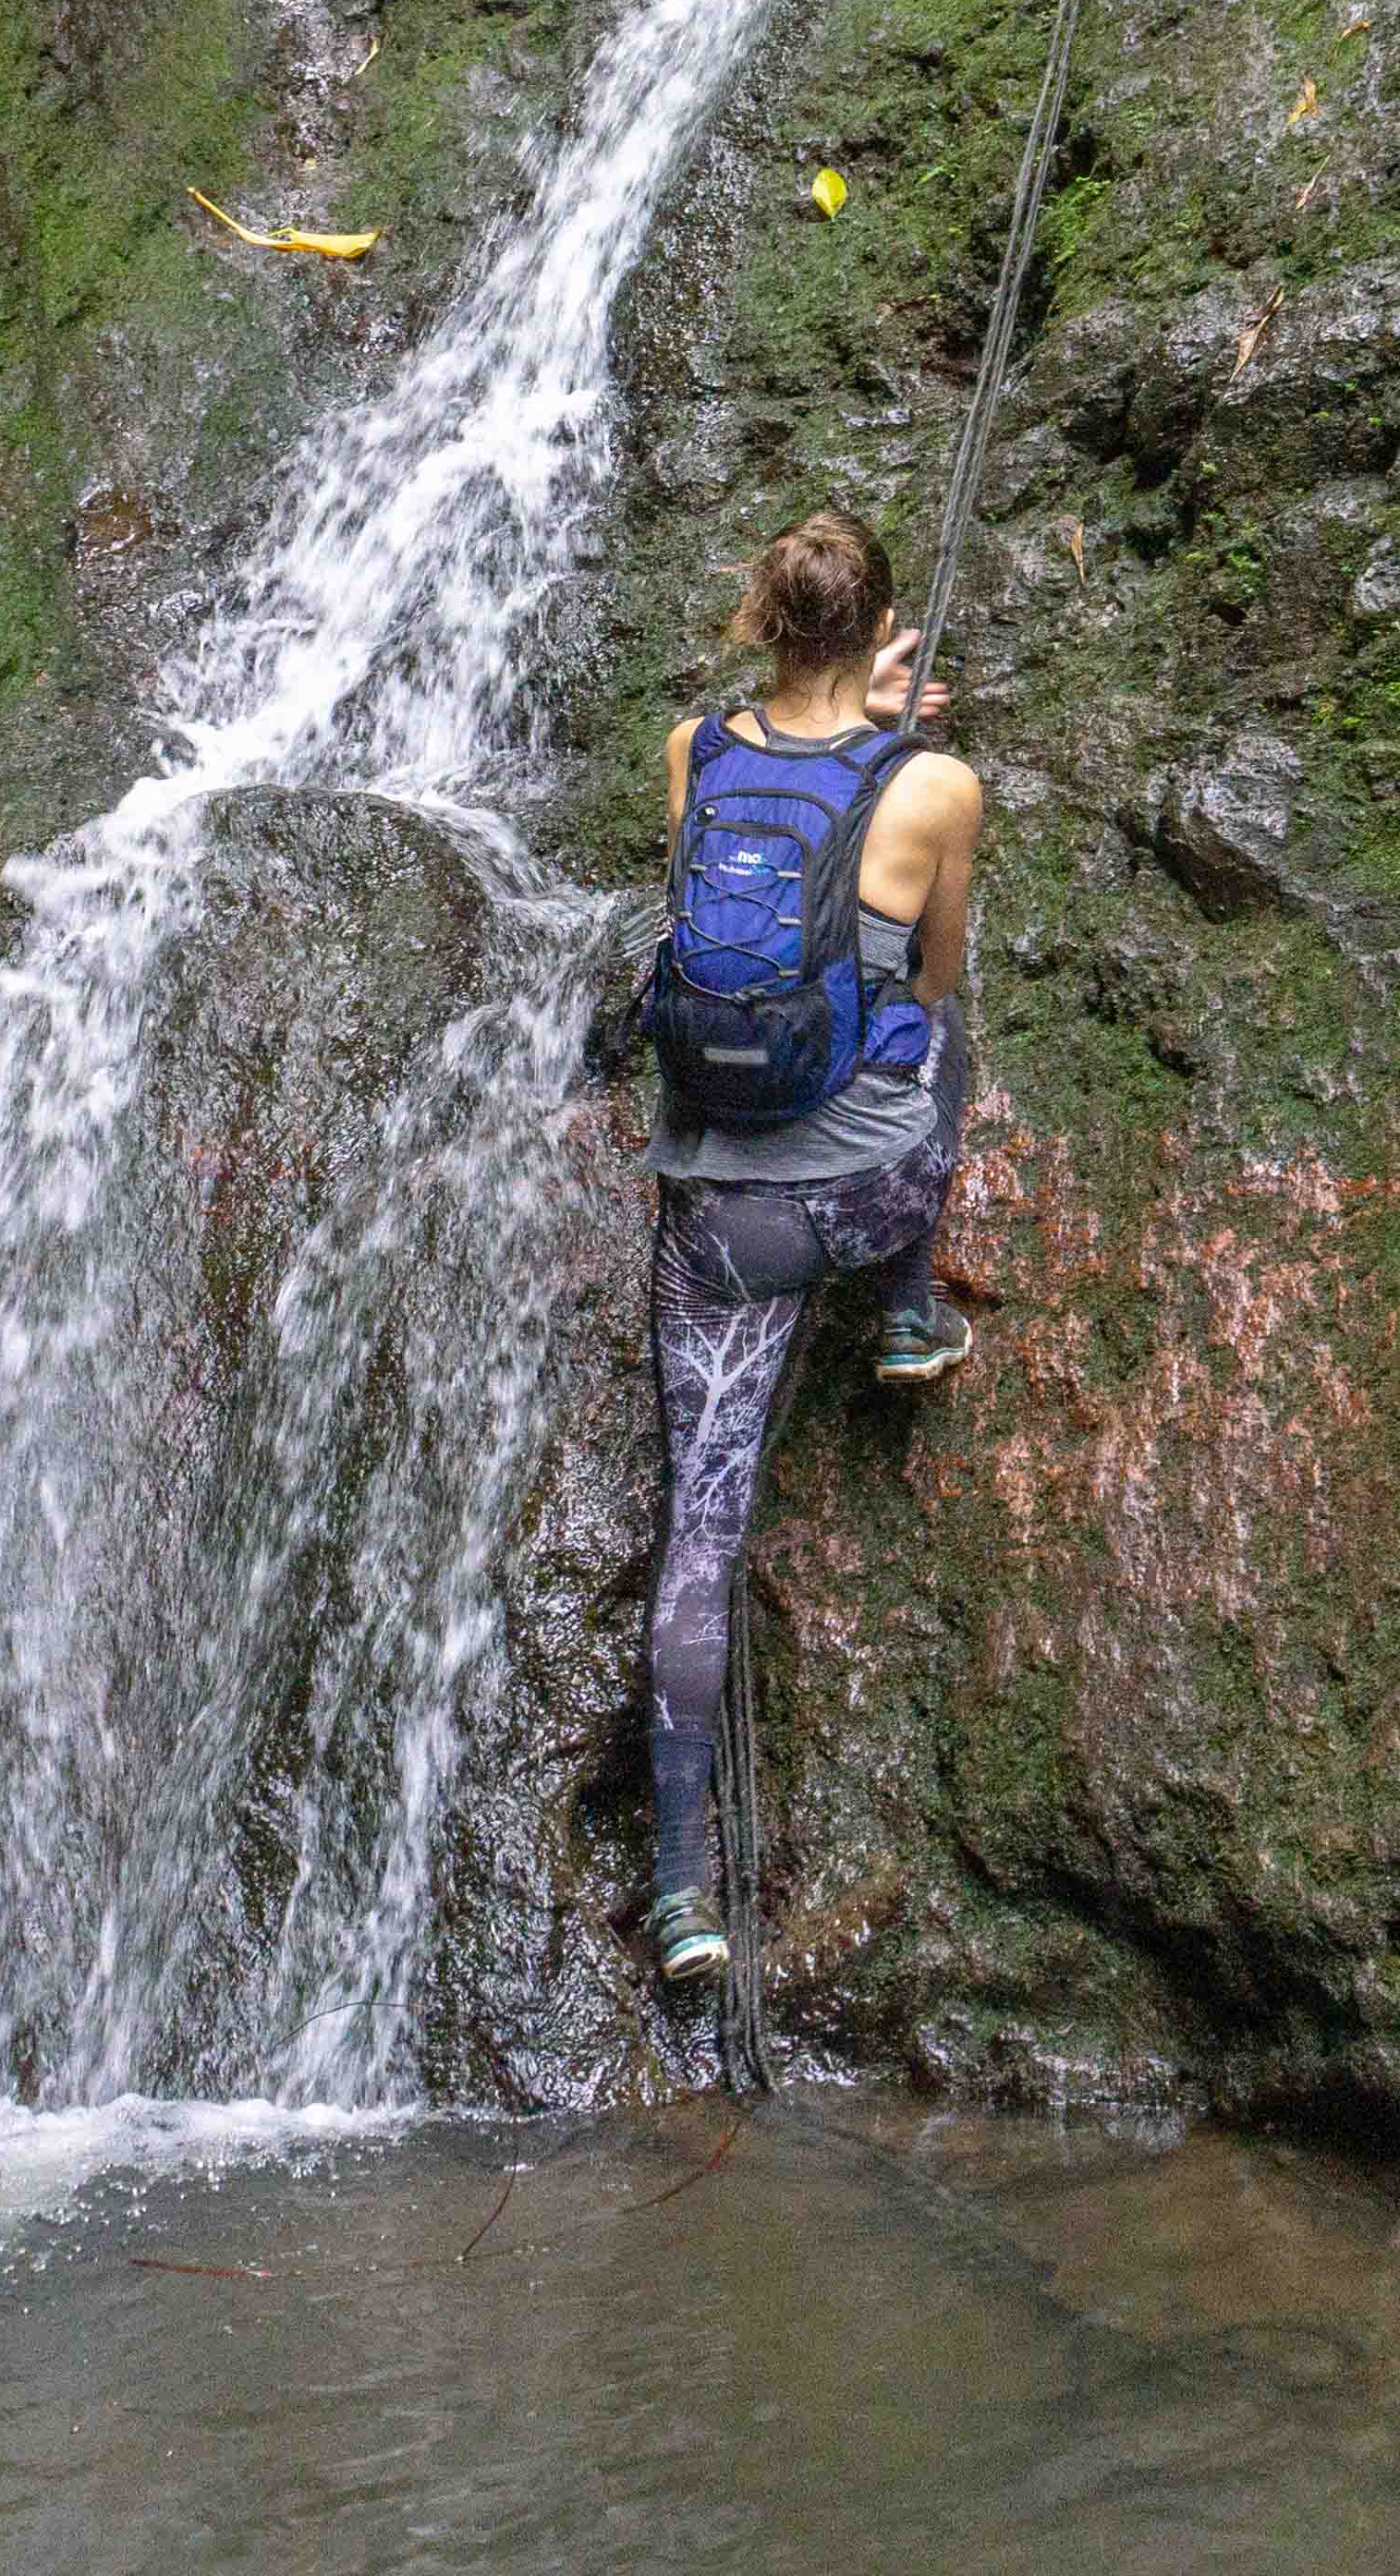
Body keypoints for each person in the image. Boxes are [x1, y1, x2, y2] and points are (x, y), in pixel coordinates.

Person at [632, 508, 988, 1993]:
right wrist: (890, 737)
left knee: (699, 1538)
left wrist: (851, 713)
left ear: (754, 617)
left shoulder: (690, 749)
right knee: (947, 1036)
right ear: (878, 630)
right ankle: (909, 1314)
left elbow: (747, 894)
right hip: (866, 1198)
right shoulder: (938, 786)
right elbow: (933, 959)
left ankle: (680, 1896)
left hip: (721, 1223)